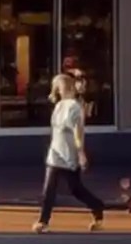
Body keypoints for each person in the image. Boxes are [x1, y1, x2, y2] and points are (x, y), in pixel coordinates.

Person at [33, 74, 104, 233]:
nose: (59, 91)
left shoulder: (75, 107)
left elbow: (78, 132)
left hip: (69, 152)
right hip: (55, 151)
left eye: (62, 87)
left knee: (76, 189)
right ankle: (43, 221)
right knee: (49, 188)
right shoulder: (59, 105)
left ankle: (97, 206)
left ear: (70, 87)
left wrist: (81, 153)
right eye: (57, 88)